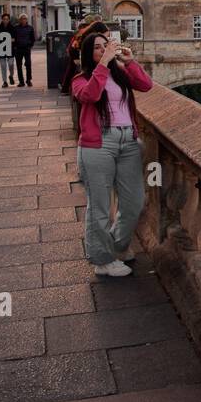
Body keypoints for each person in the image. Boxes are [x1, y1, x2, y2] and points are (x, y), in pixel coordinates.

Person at [72, 32, 152, 278]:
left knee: (134, 202)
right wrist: (104, 64)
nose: (103, 50)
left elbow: (146, 85)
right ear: (89, 53)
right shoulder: (81, 79)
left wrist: (129, 62)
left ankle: (116, 245)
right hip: (98, 145)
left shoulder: (120, 74)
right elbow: (91, 95)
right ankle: (102, 260)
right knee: (100, 207)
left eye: (105, 46)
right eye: (97, 48)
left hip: (127, 141)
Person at [0, 12, 15, 87]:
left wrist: (13, 41)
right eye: (4, 19)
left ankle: (11, 76)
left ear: (9, 20)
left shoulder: (12, 28)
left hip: (10, 50)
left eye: (7, 19)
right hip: (1, 50)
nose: (6, 20)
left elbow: (15, 38)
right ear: (2, 20)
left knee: (11, 64)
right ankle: (4, 81)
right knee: (3, 66)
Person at [12, 14, 36, 87]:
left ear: (27, 20)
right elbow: (13, 38)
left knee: (28, 64)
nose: (23, 20)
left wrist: (30, 45)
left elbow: (33, 38)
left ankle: (28, 80)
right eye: (22, 19)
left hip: (26, 48)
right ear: (20, 20)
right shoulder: (16, 28)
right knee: (19, 66)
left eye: (25, 19)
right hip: (18, 49)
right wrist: (15, 46)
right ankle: (21, 81)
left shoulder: (30, 28)